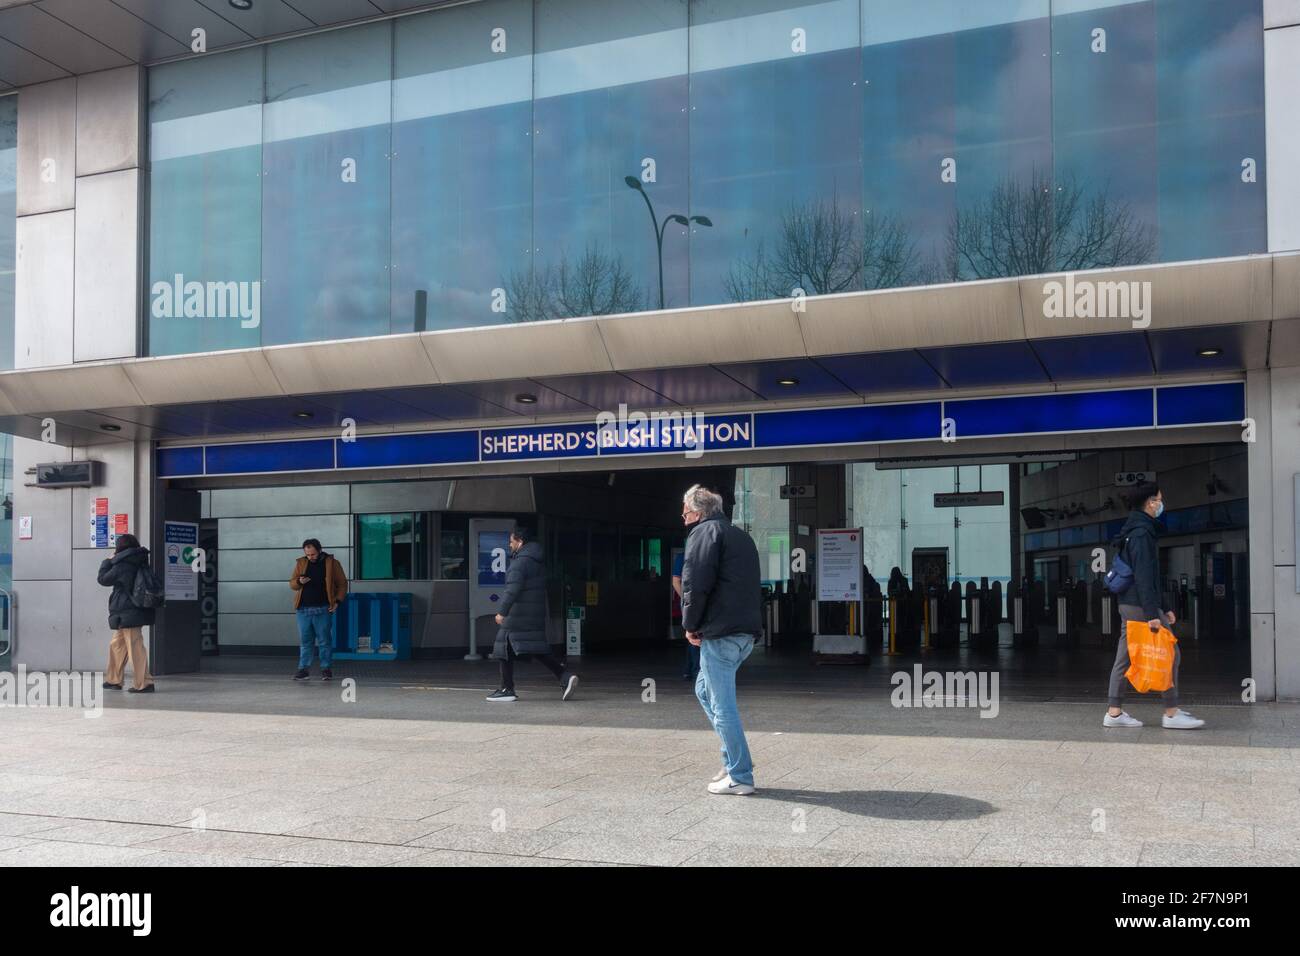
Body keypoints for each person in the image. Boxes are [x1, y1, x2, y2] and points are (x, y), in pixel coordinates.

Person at [681, 484, 762, 795]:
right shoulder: (741, 536)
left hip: (721, 632)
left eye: (686, 512)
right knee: (704, 690)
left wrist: (690, 624)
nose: (684, 518)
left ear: (699, 513)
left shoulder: (704, 534)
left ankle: (740, 774)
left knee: (722, 704)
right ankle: (734, 761)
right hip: (744, 632)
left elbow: (695, 583)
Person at [1104, 481, 1204, 730]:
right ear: (1150, 502)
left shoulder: (1135, 529)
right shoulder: (1141, 533)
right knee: (1170, 653)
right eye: (1159, 499)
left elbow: (1150, 574)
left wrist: (1166, 606)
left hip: (1130, 603)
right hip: (1140, 606)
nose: (1161, 503)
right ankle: (1171, 713)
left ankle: (1114, 713)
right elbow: (1144, 575)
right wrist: (1153, 613)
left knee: (1125, 659)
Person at [486, 527, 578, 702]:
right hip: (533, 614)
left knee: (502, 647)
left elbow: (512, 590)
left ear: (520, 541)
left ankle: (507, 689)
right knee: (536, 648)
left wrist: (501, 612)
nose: (509, 544)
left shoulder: (519, 563)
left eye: (511, 541)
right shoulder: (536, 561)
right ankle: (565, 676)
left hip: (518, 615)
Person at [97, 533, 157, 693]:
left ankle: (144, 682)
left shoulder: (124, 564)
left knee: (135, 646)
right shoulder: (139, 560)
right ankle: (114, 679)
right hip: (131, 609)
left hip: (128, 609)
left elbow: (103, 579)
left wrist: (108, 561)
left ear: (119, 547)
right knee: (117, 644)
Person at [290, 538, 348, 682]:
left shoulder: (332, 564)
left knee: (324, 640)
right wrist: (299, 582)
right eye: (308, 554)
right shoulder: (301, 563)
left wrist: (338, 601)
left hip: (323, 608)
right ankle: (303, 669)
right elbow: (292, 584)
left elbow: (342, 584)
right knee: (305, 641)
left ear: (320, 550)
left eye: (313, 554)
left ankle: (326, 669)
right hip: (303, 609)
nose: (311, 557)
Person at [672, 549, 699, 680]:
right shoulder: (684, 556)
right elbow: (676, 580)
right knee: (696, 636)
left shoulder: (683, 556)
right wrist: (686, 600)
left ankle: (689, 669)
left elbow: (676, 580)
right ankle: (696, 670)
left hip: (692, 602)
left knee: (692, 637)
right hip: (695, 603)